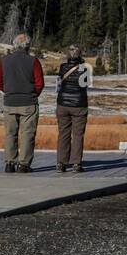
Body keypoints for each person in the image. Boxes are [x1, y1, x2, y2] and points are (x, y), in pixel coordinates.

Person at [0, 32, 44, 173]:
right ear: (28, 46)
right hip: (28, 102)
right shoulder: (33, 61)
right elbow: (39, 83)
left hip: (10, 102)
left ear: (15, 45)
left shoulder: (4, 60)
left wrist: (9, 92)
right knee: (28, 133)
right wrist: (33, 94)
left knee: (10, 134)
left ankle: (10, 163)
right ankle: (24, 164)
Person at [54, 45, 90, 173]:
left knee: (63, 133)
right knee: (78, 135)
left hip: (63, 104)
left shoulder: (62, 67)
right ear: (80, 55)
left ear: (68, 55)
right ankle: (76, 163)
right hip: (79, 105)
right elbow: (85, 86)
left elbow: (58, 86)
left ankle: (61, 163)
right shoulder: (84, 69)